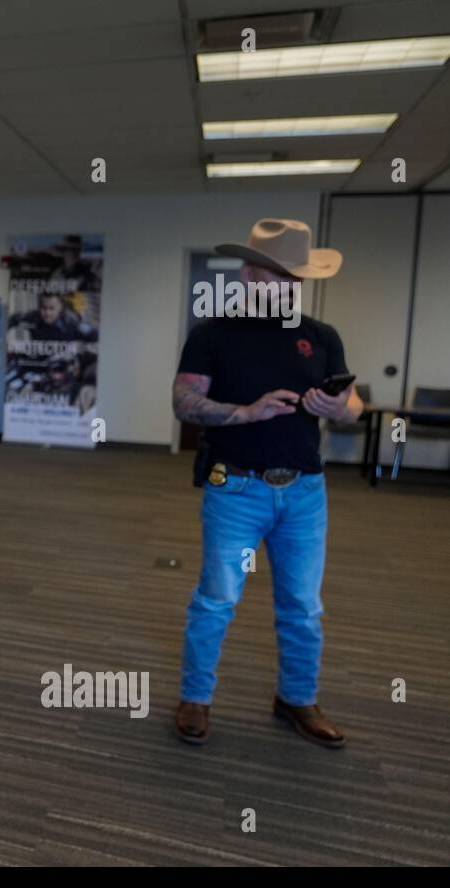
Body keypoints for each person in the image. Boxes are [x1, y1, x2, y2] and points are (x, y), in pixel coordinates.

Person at [171, 218, 363, 748]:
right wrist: (246, 411)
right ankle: (196, 697)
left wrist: (339, 406)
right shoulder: (212, 334)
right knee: (217, 598)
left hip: (305, 493)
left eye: (298, 279)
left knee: (302, 605)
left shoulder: (321, 337)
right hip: (235, 489)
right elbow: (184, 402)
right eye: (282, 277)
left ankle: (296, 699)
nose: (291, 288)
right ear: (251, 274)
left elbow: (354, 406)